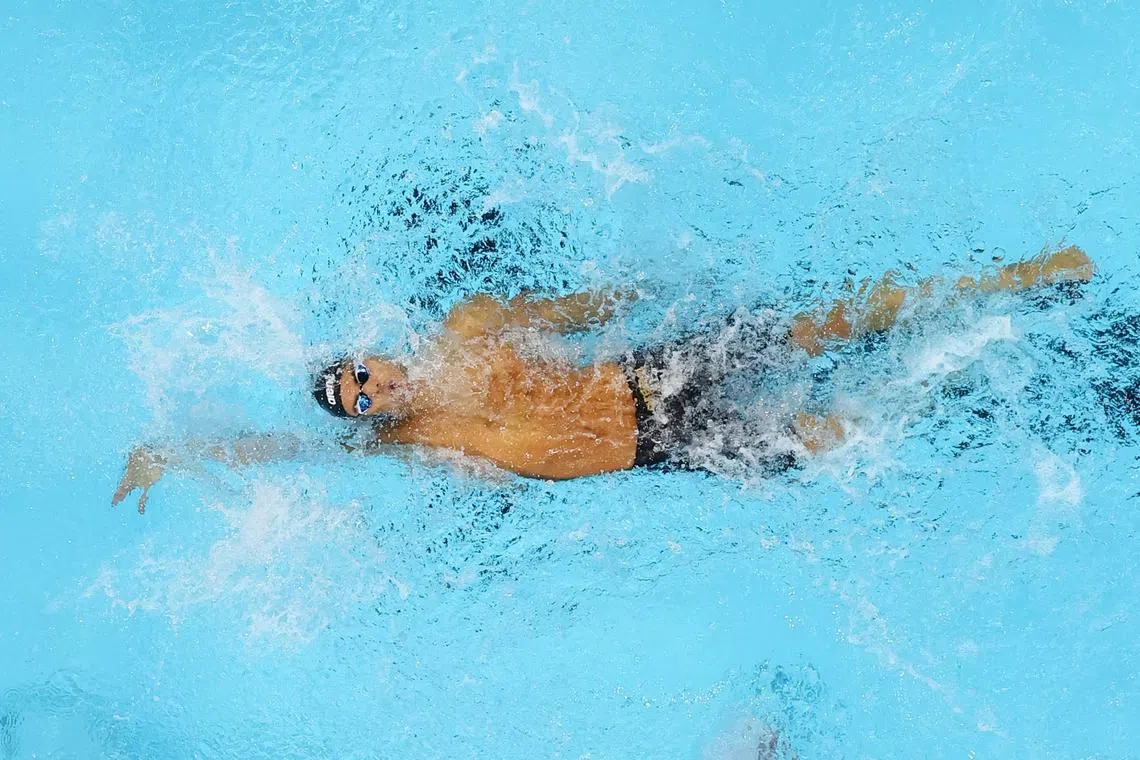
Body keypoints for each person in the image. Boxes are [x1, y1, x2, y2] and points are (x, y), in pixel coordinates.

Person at [113, 245, 1094, 513]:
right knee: (836, 438)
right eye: (356, 404)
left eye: (359, 376)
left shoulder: (471, 328)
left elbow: (584, 307)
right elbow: (287, 452)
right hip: (657, 448)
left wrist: (665, 282)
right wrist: (175, 452)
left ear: (370, 351)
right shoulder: (410, 440)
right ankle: (970, 360)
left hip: (653, 377)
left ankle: (1009, 280)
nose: (370, 394)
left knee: (819, 327)